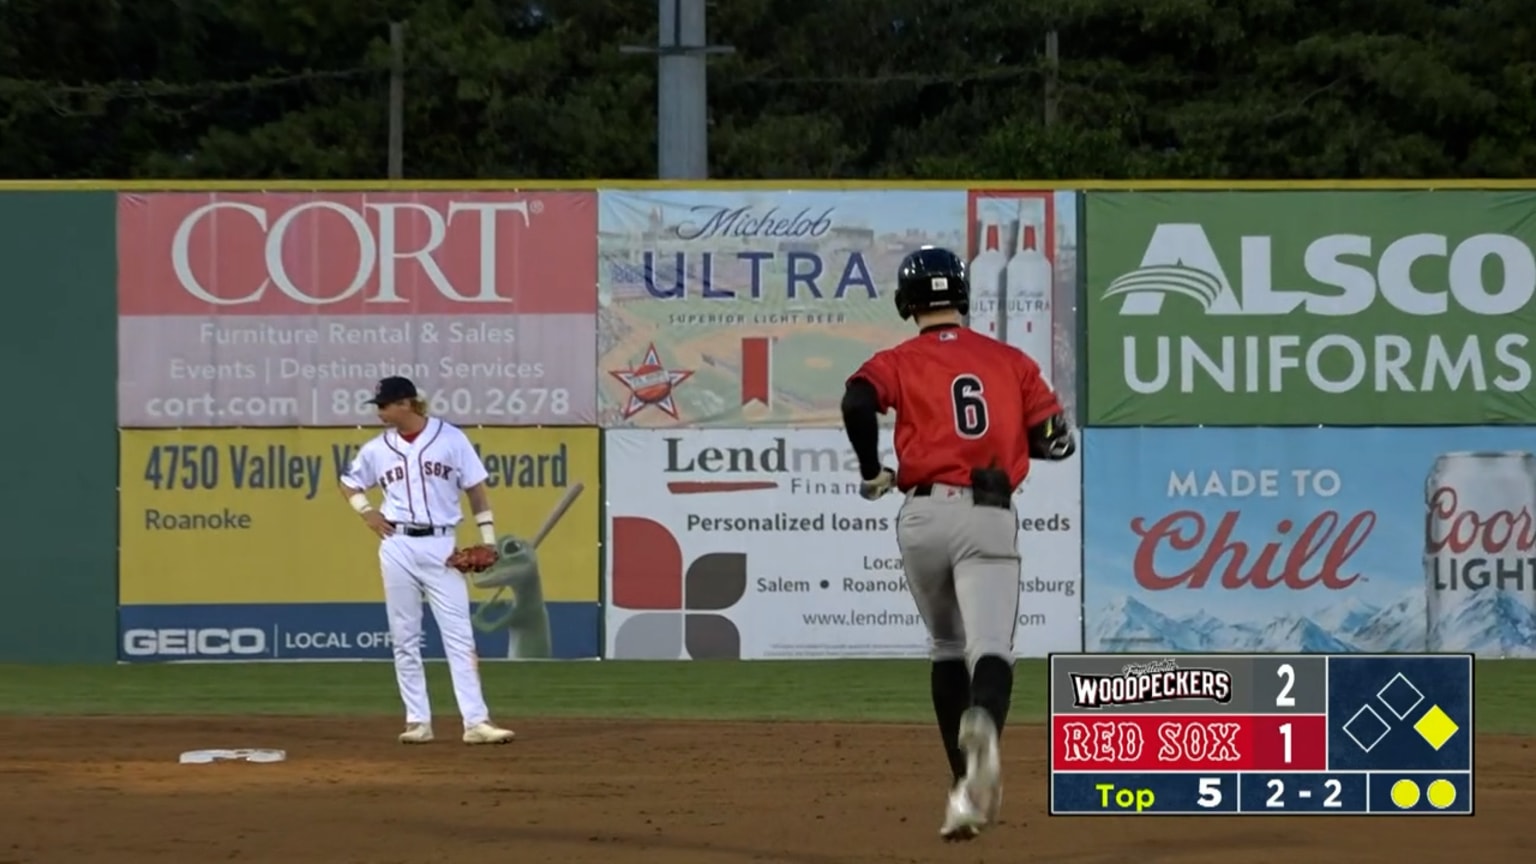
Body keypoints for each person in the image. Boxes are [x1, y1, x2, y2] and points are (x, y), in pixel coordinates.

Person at [841, 246, 1076, 840]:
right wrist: (1023, 436)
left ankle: (962, 791)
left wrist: (871, 469)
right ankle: (985, 725)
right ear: (963, 296)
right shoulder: (1010, 361)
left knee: (946, 646)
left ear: (907, 302)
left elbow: (856, 400)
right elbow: (1056, 439)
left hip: (921, 514)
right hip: (987, 509)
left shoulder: (898, 359)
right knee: (990, 646)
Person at [338, 375, 517, 746]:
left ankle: (476, 722)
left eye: (384, 405)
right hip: (397, 543)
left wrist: (488, 540)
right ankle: (417, 721)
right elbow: (348, 482)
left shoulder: (450, 438)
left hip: (442, 545)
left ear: (405, 403)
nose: (379, 411)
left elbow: (476, 489)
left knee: (459, 636)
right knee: (404, 636)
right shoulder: (377, 448)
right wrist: (366, 511)